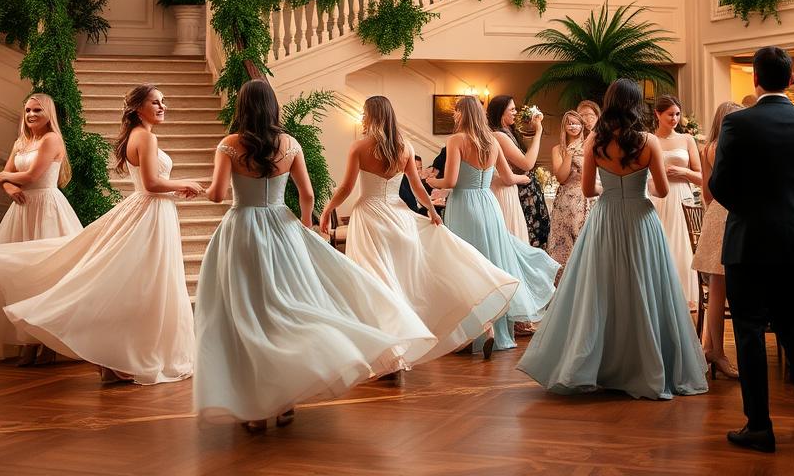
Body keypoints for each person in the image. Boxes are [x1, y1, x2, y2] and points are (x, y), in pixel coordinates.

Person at [195, 82, 433, 431]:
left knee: (245, 312)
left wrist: (199, 187)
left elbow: (217, 195)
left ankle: (256, 407)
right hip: (282, 227)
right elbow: (307, 193)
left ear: (242, 107)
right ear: (273, 107)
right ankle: (285, 399)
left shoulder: (230, 145)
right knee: (287, 308)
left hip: (241, 230)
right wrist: (305, 225)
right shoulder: (290, 144)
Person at [0, 84, 203, 384]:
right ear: (137, 108)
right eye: (155, 102)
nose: (162, 107)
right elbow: (151, 183)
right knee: (149, 284)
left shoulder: (138, 135)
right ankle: (119, 356)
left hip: (151, 211)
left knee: (143, 284)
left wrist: (177, 186)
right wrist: (186, 183)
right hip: (151, 211)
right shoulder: (145, 136)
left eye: (163, 101)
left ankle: (114, 358)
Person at [518, 79, 709, 400]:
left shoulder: (596, 142)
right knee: (643, 287)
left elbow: (589, 189)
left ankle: (598, 363)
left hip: (606, 218)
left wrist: (614, 188)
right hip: (641, 218)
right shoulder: (647, 141)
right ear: (636, 105)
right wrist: (637, 185)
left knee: (602, 290)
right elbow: (662, 191)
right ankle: (646, 364)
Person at [320, 95, 517, 367]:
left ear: (370, 116)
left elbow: (345, 188)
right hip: (400, 219)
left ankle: (391, 351)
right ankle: (408, 344)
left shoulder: (359, 147)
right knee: (403, 282)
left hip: (370, 218)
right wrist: (433, 212)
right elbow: (417, 188)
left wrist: (329, 208)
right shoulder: (405, 147)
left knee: (375, 283)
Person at [710, 46, 794, 453]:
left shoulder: (738, 124)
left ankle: (759, 425)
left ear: (755, 79)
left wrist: (749, 211)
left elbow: (720, 186)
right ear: (792, 80)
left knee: (748, 330)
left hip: (748, 241)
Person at [425, 96, 558, 354]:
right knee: (492, 264)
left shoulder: (456, 141)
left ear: (463, 114)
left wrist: (432, 182)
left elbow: (451, 180)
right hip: (489, 206)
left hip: (464, 205)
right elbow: (509, 177)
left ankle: (475, 330)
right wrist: (528, 179)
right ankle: (496, 329)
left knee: (466, 267)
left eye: (456, 112)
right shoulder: (492, 141)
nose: (454, 116)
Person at [0, 93, 82, 365]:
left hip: (47, 209)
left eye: (37, 111)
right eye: (28, 110)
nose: (31, 115)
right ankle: (26, 342)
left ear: (48, 115)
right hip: (22, 211)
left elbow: (32, 176)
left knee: (46, 276)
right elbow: (6, 178)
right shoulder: (21, 141)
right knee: (18, 277)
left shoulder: (51, 139)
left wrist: (4, 177)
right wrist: (7, 183)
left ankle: (48, 343)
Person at [693, 101, 743, 380]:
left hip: (715, 214)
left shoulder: (708, 148)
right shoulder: (731, 148)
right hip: (732, 216)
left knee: (716, 288)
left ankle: (710, 348)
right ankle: (718, 353)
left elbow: (707, 192)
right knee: (721, 288)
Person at [649, 95, 702, 308]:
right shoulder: (650, 139)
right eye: (670, 114)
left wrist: (683, 171)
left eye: (678, 114)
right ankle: (660, 296)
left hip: (682, 195)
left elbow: (701, 176)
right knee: (661, 244)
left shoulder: (687, 139)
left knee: (682, 244)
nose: (675, 119)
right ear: (658, 114)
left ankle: (684, 294)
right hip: (658, 196)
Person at [487, 96, 549, 247]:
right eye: (512, 109)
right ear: (501, 112)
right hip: (517, 192)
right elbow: (527, 163)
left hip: (524, 189)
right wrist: (538, 131)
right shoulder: (498, 135)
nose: (516, 112)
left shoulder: (508, 132)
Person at [546, 110, 591, 268]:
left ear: (582, 125)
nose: (573, 126)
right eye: (569, 123)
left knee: (583, 240)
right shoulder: (558, 150)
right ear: (564, 126)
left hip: (585, 198)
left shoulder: (590, 147)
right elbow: (561, 177)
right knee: (563, 243)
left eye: (576, 122)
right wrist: (569, 154)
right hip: (564, 201)